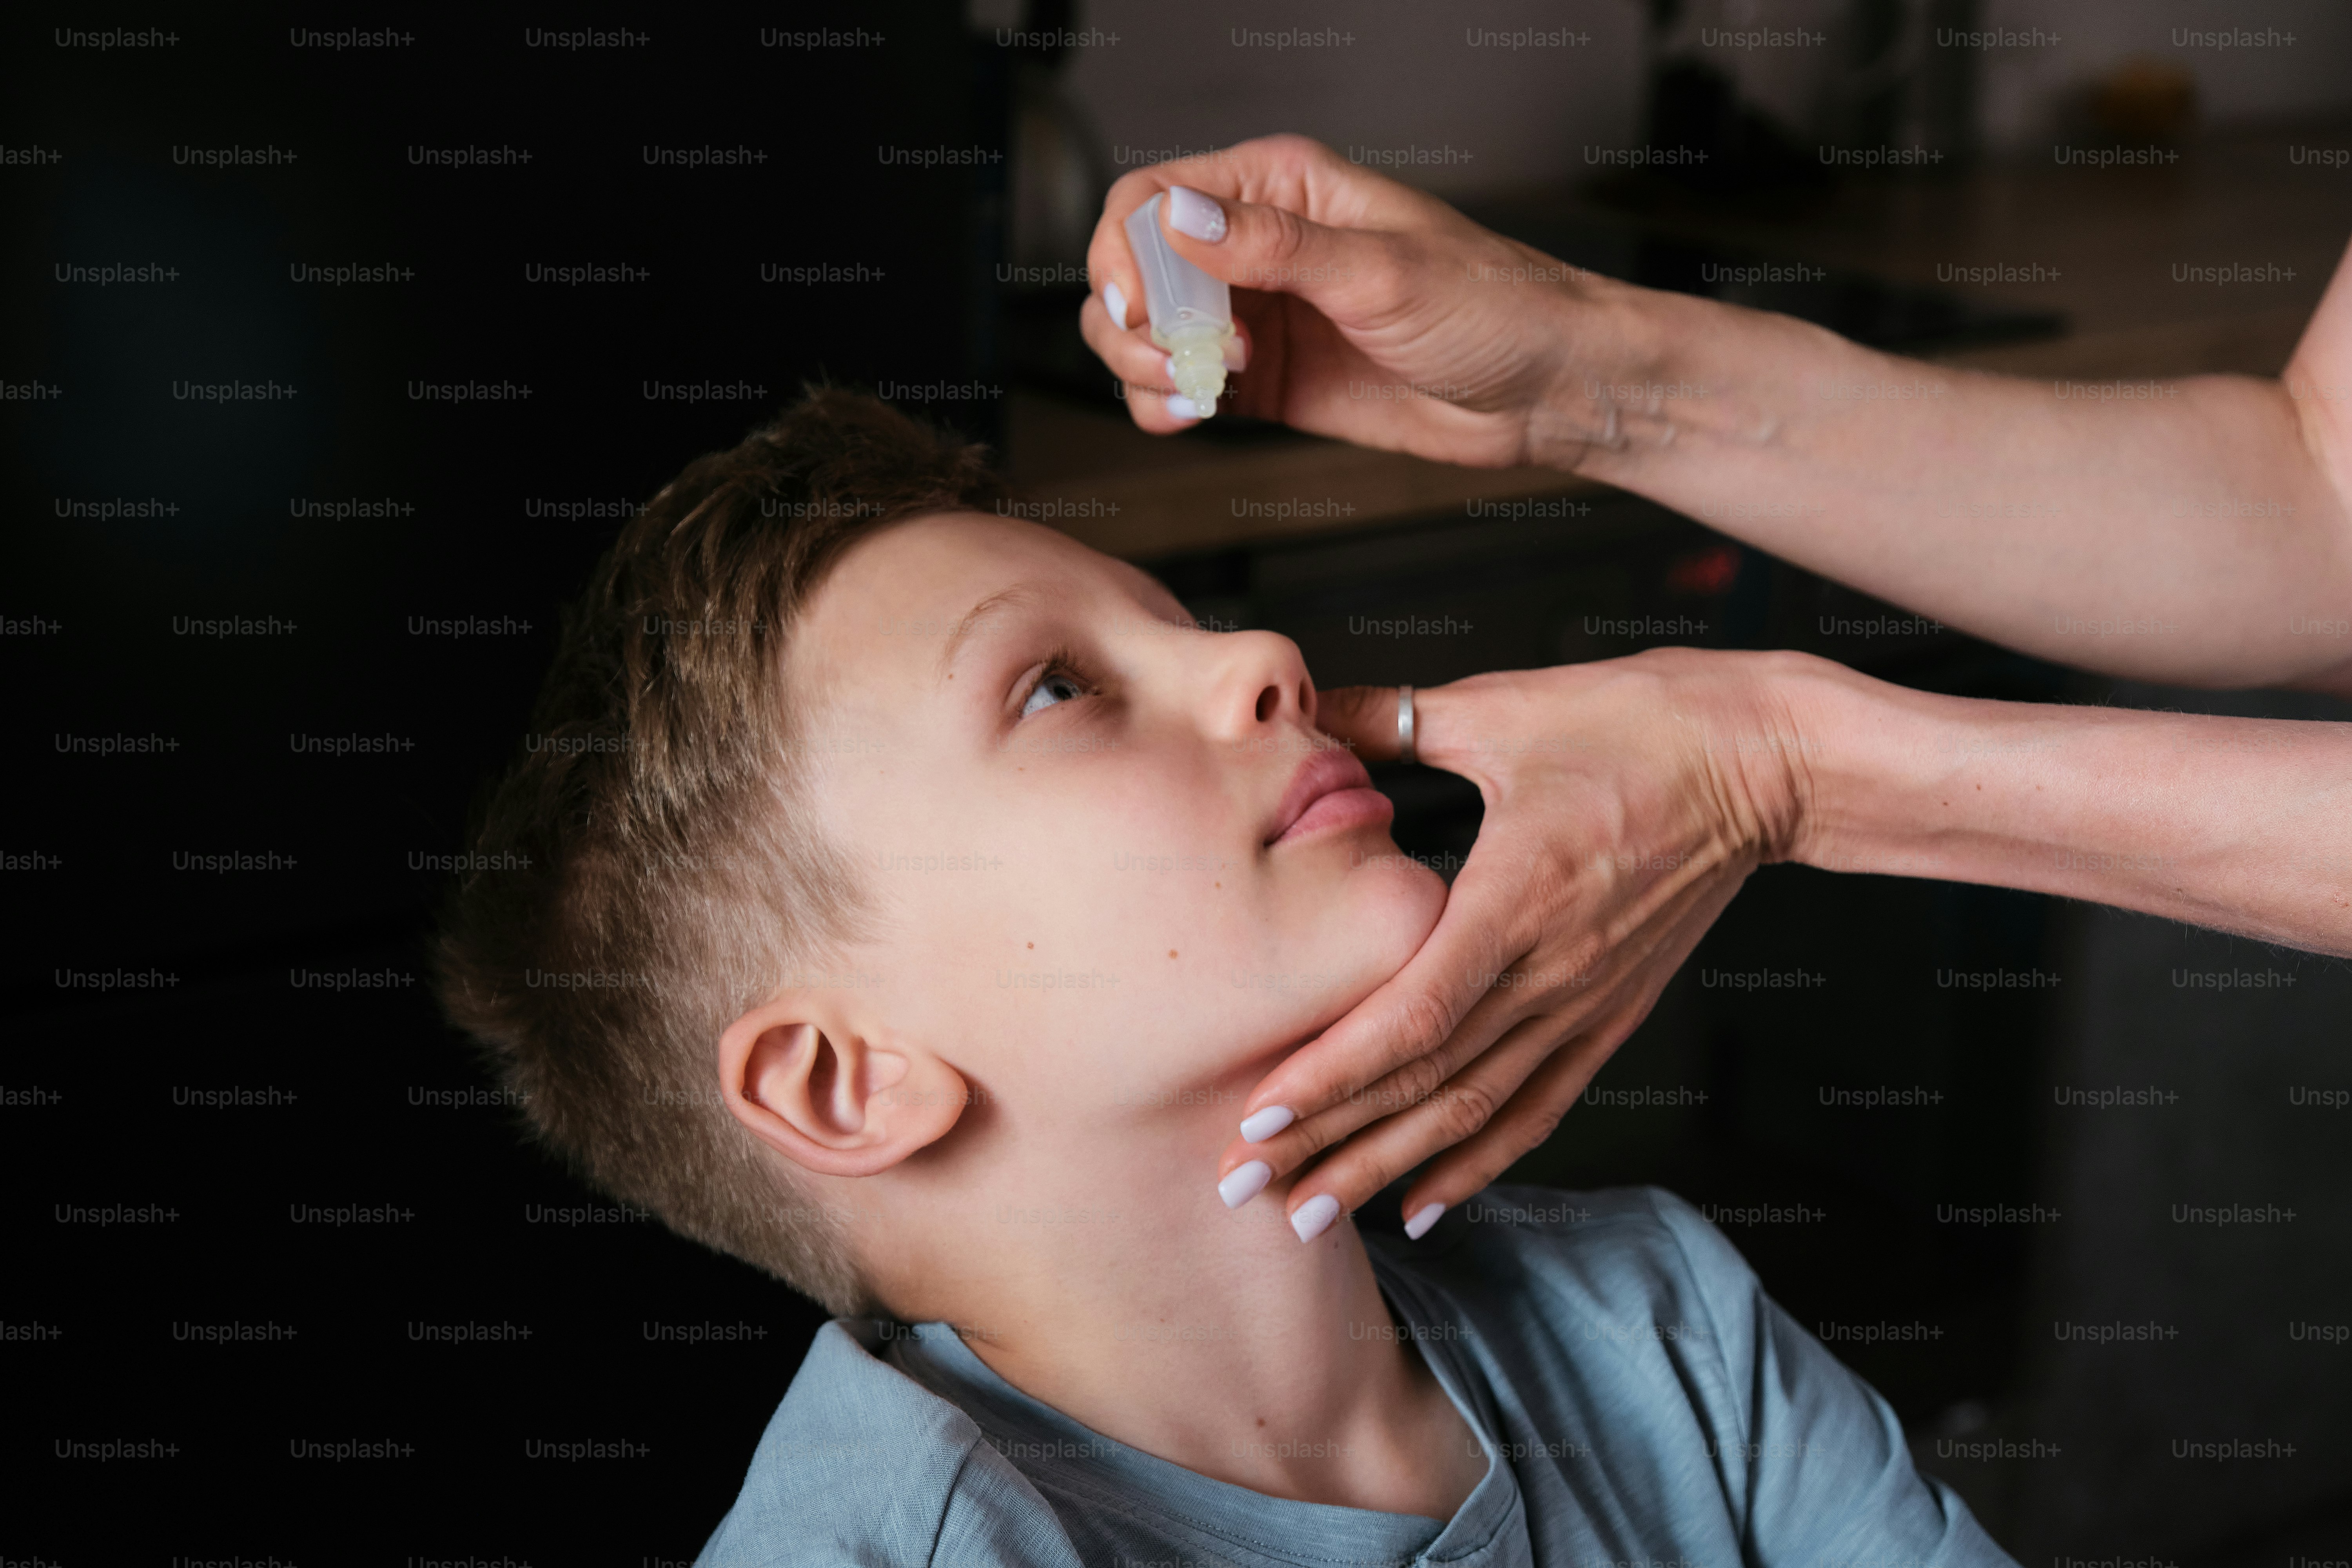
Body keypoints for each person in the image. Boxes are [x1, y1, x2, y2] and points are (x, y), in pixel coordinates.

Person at [434, 390, 2017, 1567]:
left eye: (1180, 621)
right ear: (846, 1081)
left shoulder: (1659, 1329)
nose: (1263, 657)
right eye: (1056, 688)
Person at [1077, 133, 2352, 1250]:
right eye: (1051, 691)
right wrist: (1598, 384)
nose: (1260, 655)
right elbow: (2327, 497)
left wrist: (1787, 768)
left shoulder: (1691, 1337)